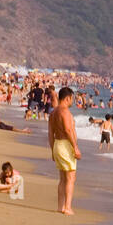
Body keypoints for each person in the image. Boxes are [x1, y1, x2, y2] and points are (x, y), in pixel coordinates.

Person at [48, 86, 80, 215]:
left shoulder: (53, 112)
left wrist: (52, 150)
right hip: (66, 146)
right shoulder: (65, 112)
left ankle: (60, 206)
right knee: (70, 177)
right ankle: (67, 207)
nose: (73, 101)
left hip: (57, 144)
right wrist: (75, 147)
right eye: (72, 98)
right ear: (68, 98)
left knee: (62, 178)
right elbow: (67, 130)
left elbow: (50, 133)